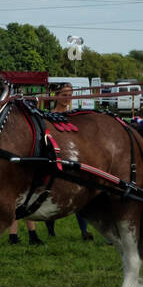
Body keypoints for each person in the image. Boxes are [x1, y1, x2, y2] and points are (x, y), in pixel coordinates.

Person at [49, 83, 93, 239]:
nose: (67, 98)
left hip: (74, 156)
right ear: (56, 95)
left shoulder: (74, 116)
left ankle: (84, 230)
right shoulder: (49, 115)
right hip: (56, 157)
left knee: (79, 192)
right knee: (53, 191)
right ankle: (51, 231)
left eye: (70, 95)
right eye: (64, 94)